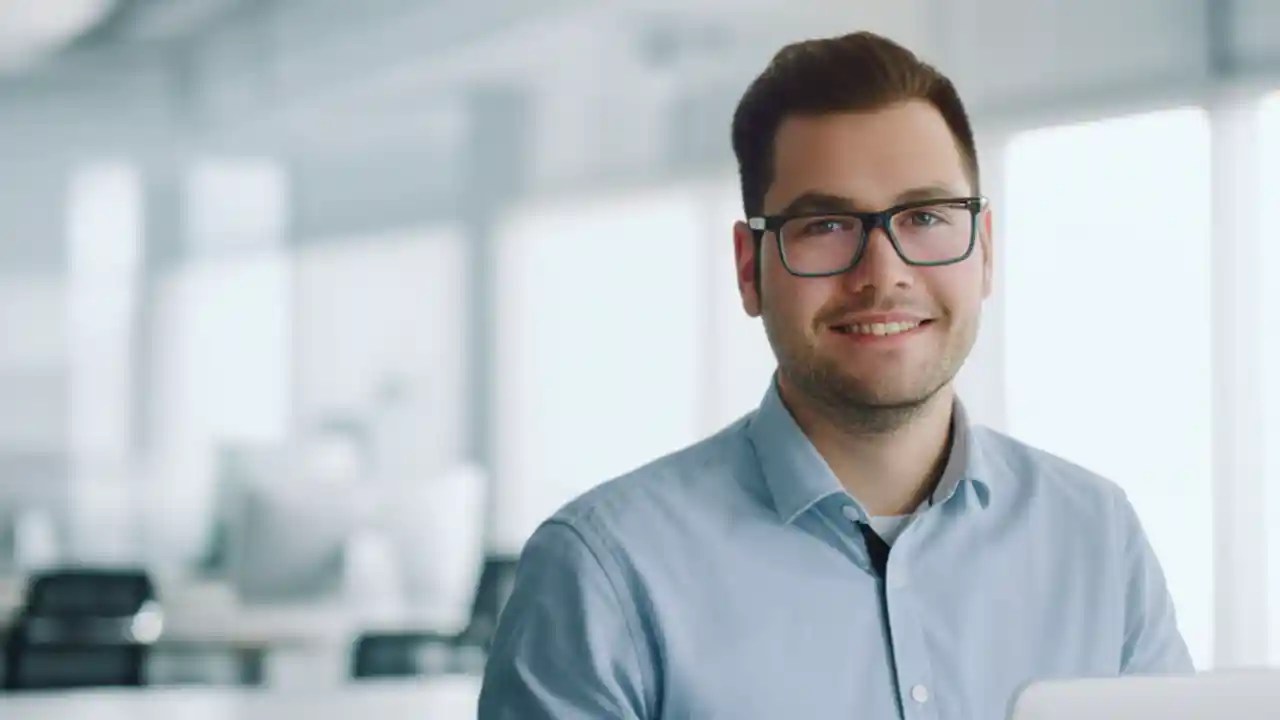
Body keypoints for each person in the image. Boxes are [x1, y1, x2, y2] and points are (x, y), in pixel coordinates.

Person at [478, 31, 1192, 719]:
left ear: (986, 251)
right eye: (825, 226)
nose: (883, 275)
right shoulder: (604, 576)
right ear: (749, 268)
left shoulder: (1098, 539)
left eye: (926, 217)